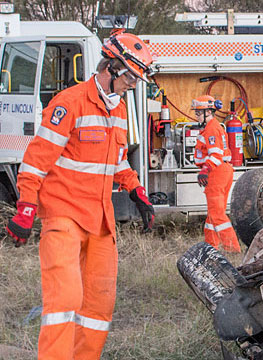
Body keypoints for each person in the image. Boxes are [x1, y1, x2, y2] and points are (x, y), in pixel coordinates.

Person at [3, 30, 156, 359]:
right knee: (65, 301)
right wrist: (26, 208)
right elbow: (36, 161)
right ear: (111, 68)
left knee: (98, 307)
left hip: (101, 221)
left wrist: (136, 189)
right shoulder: (69, 103)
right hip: (64, 216)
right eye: (130, 77)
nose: (132, 85)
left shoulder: (118, 110)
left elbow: (116, 160)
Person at [192, 95, 241, 253]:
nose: (197, 116)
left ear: (208, 112)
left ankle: (232, 249)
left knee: (217, 214)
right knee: (213, 214)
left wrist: (205, 169)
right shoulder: (213, 127)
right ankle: (211, 246)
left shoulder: (212, 129)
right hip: (223, 171)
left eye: (199, 112)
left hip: (216, 172)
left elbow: (216, 154)